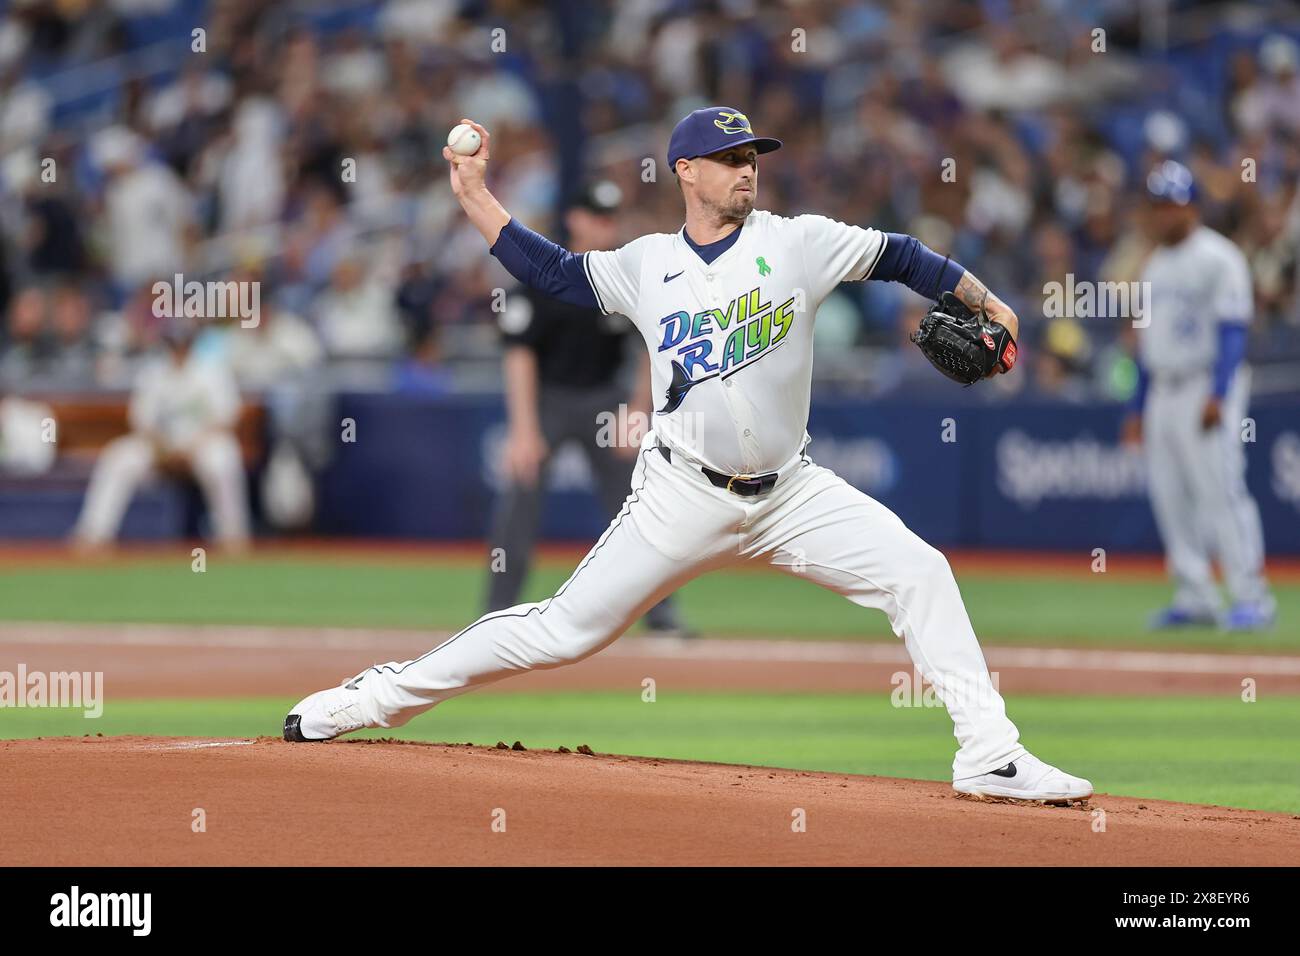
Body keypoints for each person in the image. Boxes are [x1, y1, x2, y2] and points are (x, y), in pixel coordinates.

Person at [284, 107, 1092, 805]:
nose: (749, 172)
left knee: (921, 572)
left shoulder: (800, 243)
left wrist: (988, 303)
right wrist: (474, 196)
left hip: (792, 493)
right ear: (686, 172)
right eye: (732, 160)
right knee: (559, 632)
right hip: (681, 494)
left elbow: (906, 255)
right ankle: (373, 697)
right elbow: (555, 274)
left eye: (754, 159)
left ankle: (989, 754)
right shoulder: (646, 264)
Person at [487, 180, 686, 635]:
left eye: (612, 218)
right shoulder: (542, 272)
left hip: (604, 401)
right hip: (547, 400)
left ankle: (662, 615)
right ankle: (494, 615)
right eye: (598, 217)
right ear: (574, 219)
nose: (606, 227)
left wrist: (638, 410)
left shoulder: (625, 274)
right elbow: (519, 353)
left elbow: (652, 347)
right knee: (519, 502)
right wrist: (522, 429)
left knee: (643, 504)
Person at [1122, 160, 1276, 631]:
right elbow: (1147, 346)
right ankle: (1196, 595)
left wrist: (1220, 393)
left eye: (1171, 205)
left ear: (1191, 207)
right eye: (1157, 206)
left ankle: (1251, 596)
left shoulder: (1219, 256)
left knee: (1220, 491)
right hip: (1164, 389)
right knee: (1170, 495)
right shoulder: (1155, 265)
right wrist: (1137, 406)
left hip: (1206, 382)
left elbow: (1233, 330)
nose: (1164, 215)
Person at [72, 317, 250, 551]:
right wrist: (162, 448)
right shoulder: (154, 372)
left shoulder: (211, 371)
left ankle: (233, 537)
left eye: (183, 341)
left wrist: (191, 448)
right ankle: (94, 535)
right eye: (174, 341)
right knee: (119, 456)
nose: (179, 347)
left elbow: (227, 419)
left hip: (200, 446)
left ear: (192, 341)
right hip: (160, 449)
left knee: (222, 457)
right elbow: (141, 421)